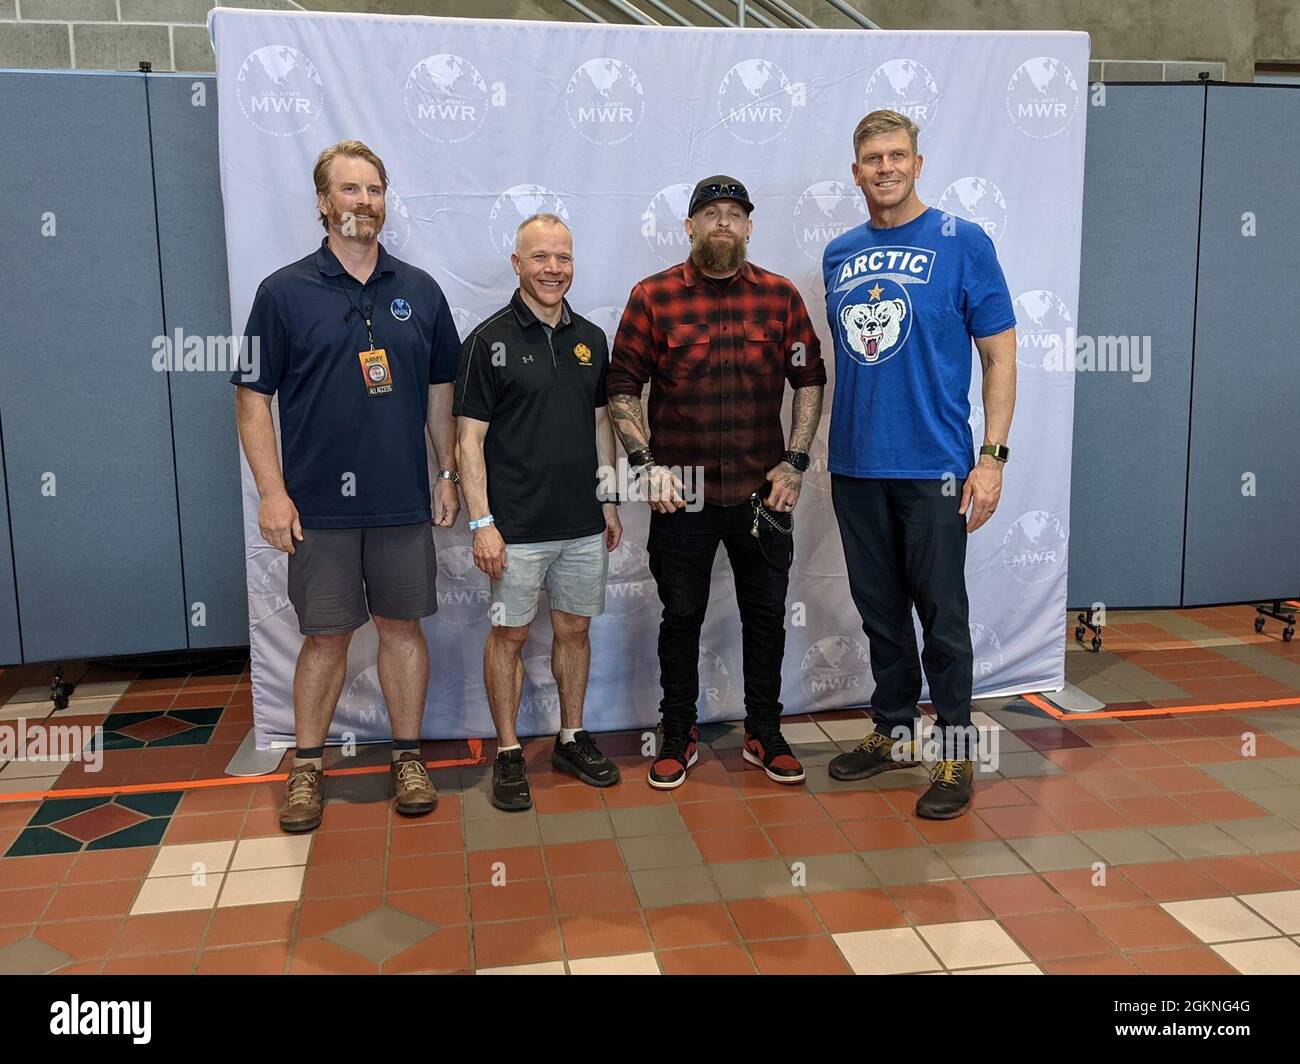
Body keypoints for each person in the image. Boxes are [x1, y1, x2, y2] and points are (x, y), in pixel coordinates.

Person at [231, 140, 461, 833]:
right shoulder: (282, 292)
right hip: (318, 509)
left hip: (400, 502)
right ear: (323, 204)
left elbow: (440, 393)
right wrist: (272, 492)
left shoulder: (420, 291)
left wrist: (446, 472)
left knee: (402, 627)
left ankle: (408, 757)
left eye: (374, 190)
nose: (364, 202)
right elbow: (250, 400)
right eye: (350, 190)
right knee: (326, 636)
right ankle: (306, 769)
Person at [822, 110, 1018, 820]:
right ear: (856, 171)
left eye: (896, 155)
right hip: (854, 465)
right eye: (872, 157)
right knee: (880, 614)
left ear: (917, 162)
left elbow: (1000, 355)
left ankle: (956, 753)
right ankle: (895, 731)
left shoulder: (963, 242)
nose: (884, 167)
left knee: (942, 617)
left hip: (935, 463)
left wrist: (991, 457)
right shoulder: (839, 252)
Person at [608, 175, 826, 790]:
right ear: (690, 227)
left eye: (734, 213)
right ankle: (677, 733)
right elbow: (621, 384)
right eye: (710, 214)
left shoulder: (780, 297)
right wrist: (646, 468)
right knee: (682, 616)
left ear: (750, 226)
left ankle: (765, 731)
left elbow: (809, 379)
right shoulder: (653, 298)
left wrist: (797, 461)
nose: (723, 223)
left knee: (766, 616)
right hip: (683, 491)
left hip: (764, 492)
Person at [454, 214, 623, 812]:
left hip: (580, 524)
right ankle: (506, 751)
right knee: (510, 636)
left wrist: (607, 498)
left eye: (563, 258)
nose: (554, 269)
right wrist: (482, 523)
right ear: (517, 264)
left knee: (574, 631)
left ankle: (570, 738)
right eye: (541, 257)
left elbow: (602, 423)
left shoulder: (593, 339)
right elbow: (467, 441)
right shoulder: (485, 341)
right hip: (514, 529)